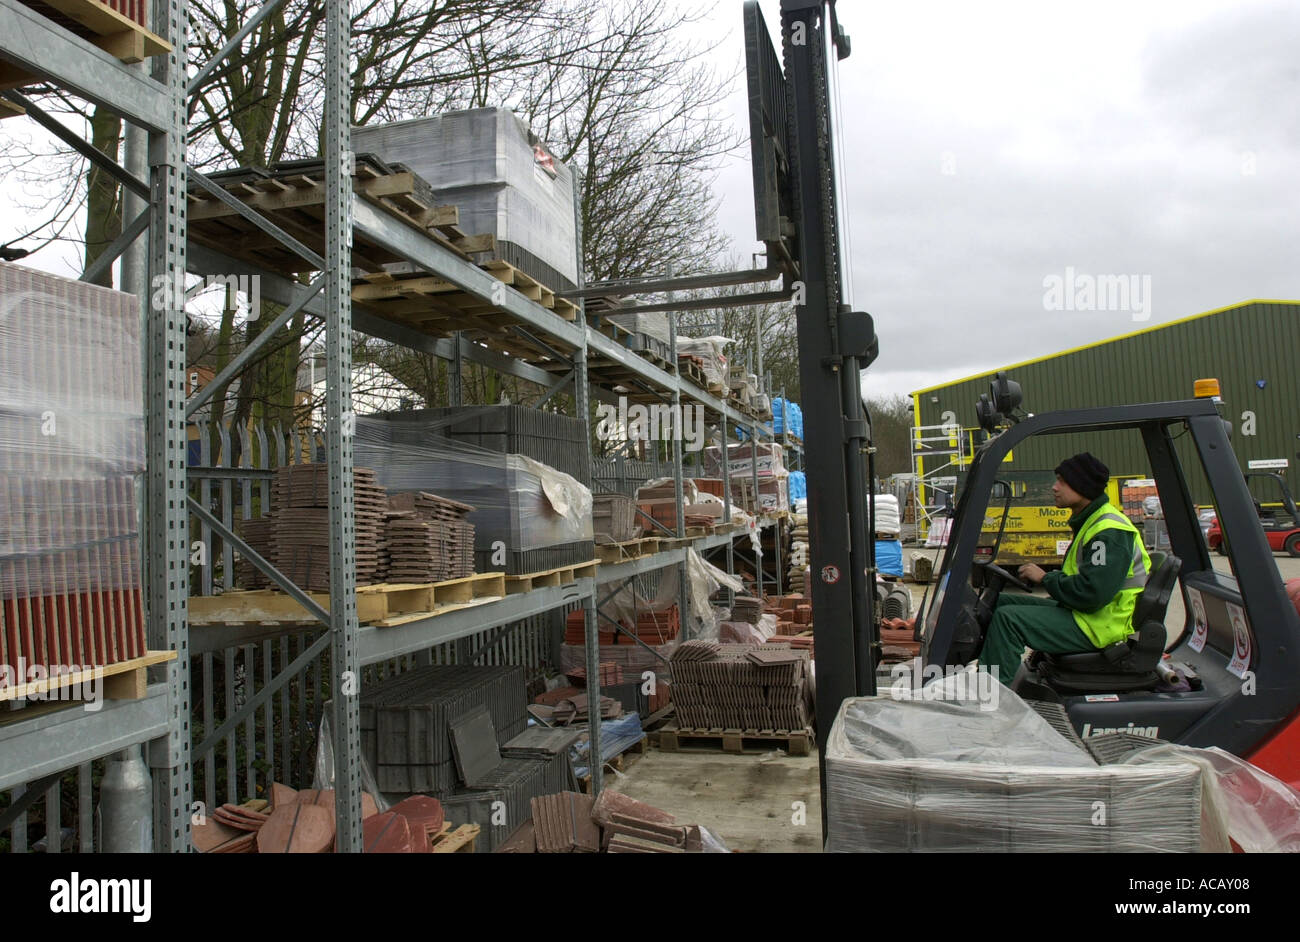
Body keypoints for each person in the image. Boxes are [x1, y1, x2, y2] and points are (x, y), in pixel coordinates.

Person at [979, 452, 1151, 685]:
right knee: (998, 602)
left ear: (1083, 486)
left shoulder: (1108, 532)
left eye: (1062, 481)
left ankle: (991, 700)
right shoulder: (1092, 521)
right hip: (1085, 615)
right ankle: (982, 674)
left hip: (1098, 626)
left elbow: (1092, 593)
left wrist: (1046, 578)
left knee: (1009, 620)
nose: (1054, 487)